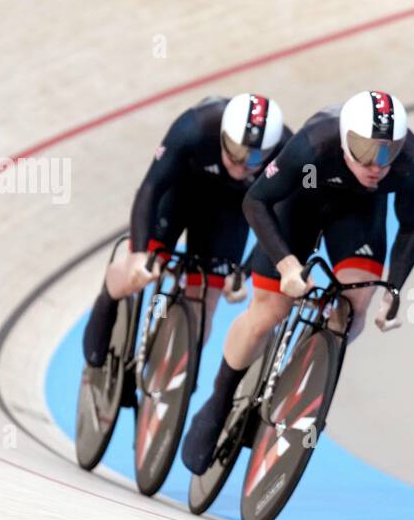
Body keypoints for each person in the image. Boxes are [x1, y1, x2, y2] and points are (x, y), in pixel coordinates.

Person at [180, 89, 414, 475]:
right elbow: (255, 202)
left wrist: (393, 289)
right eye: (365, 150)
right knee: (269, 312)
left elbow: (411, 228)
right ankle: (220, 399)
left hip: (357, 213)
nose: (378, 165)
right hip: (300, 202)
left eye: (388, 152)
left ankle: (302, 381)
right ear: (346, 138)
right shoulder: (314, 144)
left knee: (351, 310)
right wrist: (286, 264)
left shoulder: (413, 163)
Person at [80, 93, 290, 368]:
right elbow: (150, 189)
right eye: (236, 151)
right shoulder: (195, 127)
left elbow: (281, 221)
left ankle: (171, 380)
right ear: (223, 134)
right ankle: (109, 297)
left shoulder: (287, 151)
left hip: (228, 210)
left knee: (205, 303)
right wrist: (140, 254)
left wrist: (244, 272)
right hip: (179, 192)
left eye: (254, 159)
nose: (241, 164)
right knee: (139, 275)